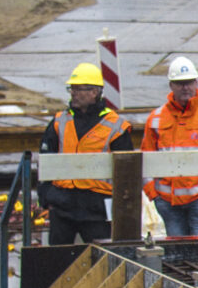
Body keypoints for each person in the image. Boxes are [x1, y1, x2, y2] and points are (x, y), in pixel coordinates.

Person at [37, 63, 137, 244]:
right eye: (71, 89)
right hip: (63, 205)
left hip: (97, 207)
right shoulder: (60, 121)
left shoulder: (116, 126)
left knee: (102, 261)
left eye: (78, 89)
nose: (73, 93)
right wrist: (46, 196)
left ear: (94, 92)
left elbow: (126, 172)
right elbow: (44, 161)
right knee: (59, 261)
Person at [142, 56, 198, 238]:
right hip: (168, 202)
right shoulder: (156, 118)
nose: (185, 87)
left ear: (196, 83)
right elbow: (145, 161)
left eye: (189, 82)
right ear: (171, 85)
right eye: (179, 83)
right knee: (177, 254)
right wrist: (154, 194)